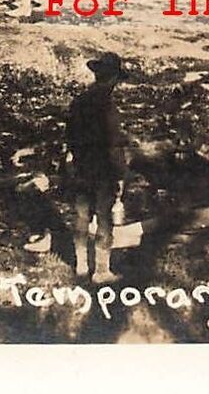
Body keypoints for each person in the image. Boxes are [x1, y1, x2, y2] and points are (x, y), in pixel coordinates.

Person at [65, 52, 129, 283]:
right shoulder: (109, 108)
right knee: (104, 217)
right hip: (103, 170)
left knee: (81, 215)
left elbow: (69, 137)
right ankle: (102, 271)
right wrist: (121, 174)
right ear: (113, 79)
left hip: (82, 166)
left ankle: (81, 265)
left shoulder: (79, 101)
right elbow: (114, 145)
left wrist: (75, 160)